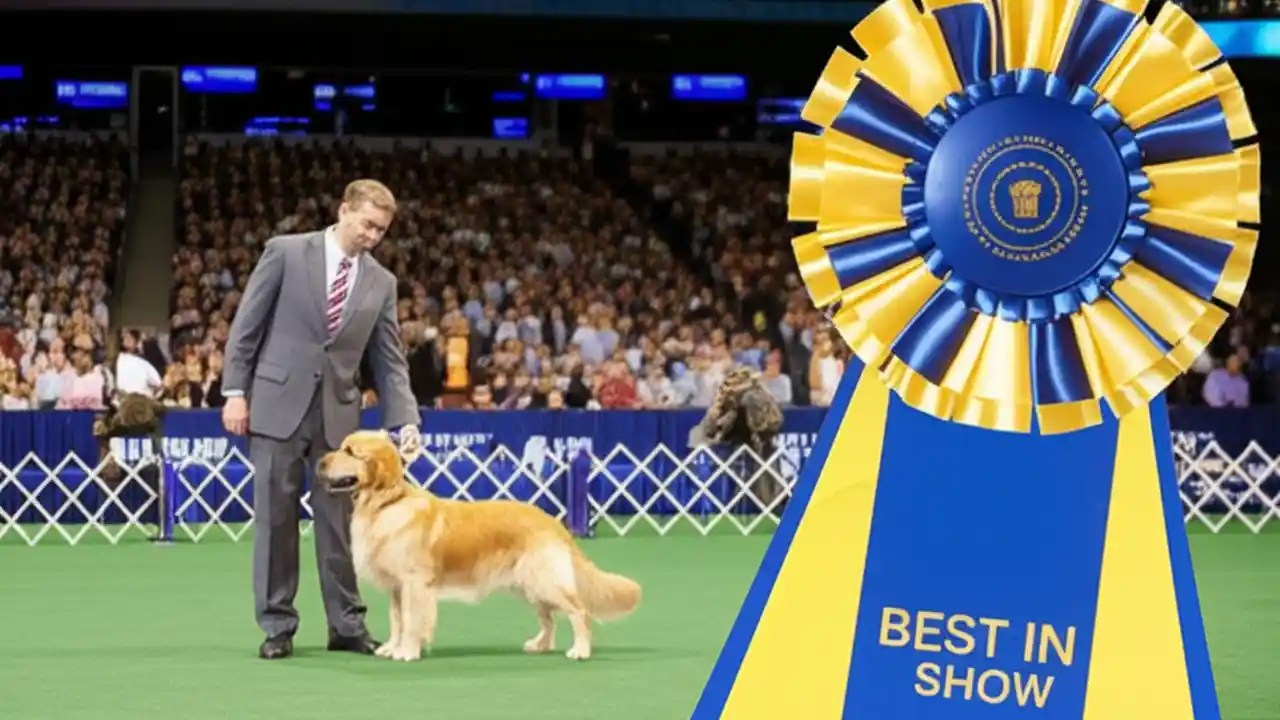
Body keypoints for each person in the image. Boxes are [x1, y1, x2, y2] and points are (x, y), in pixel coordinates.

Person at [220, 179, 421, 660]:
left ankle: (347, 626)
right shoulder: (285, 252)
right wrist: (234, 391)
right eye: (368, 224)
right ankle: (277, 627)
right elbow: (247, 325)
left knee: (342, 528)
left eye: (382, 230)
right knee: (275, 522)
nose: (373, 236)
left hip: (340, 421)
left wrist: (405, 419)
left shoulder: (382, 282)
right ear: (343, 210)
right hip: (274, 406)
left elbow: (390, 359)